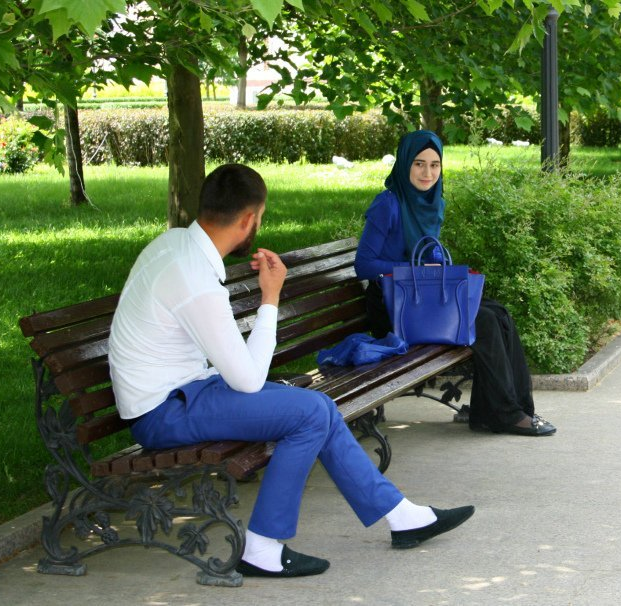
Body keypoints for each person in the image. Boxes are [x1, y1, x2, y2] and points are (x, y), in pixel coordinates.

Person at [108, 163, 474, 579]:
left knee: (314, 406)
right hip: (164, 413)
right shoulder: (193, 278)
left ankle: (402, 516)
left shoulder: (175, 244)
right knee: (310, 413)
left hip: (182, 393)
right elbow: (246, 379)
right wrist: (271, 298)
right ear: (249, 220)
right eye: (259, 220)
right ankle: (263, 546)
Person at [354, 130, 557, 438]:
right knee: (484, 321)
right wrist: (413, 268)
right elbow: (363, 264)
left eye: (435, 165)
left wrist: (434, 257)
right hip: (392, 306)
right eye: (419, 164)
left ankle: (512, 409)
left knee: (498, 314)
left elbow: (426, 246)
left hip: (425, 298)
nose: (427, 173)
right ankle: (504, 414)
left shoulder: (434, 202)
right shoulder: (388, 204)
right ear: (405, 164)